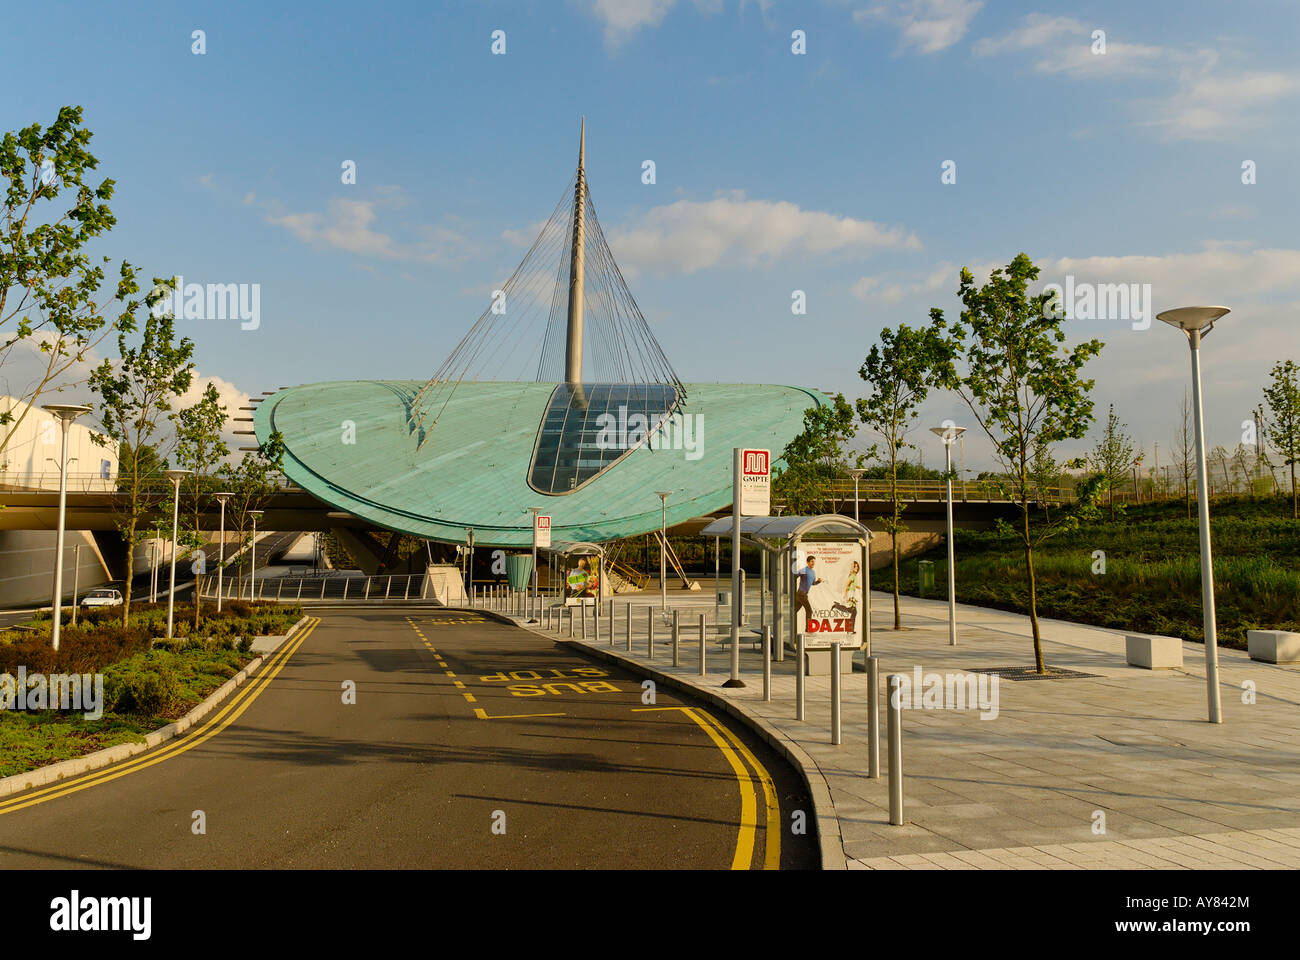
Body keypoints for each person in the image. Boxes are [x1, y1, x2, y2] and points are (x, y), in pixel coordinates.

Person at [793, 555, 821, 629]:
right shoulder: (804, 570)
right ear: (807, 562)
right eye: (811, 561)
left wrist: (818, 581)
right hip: (801, 594)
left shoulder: (813, 572)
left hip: (802, 594)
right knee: (809, 611)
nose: (813, 563)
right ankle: (808, 629)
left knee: (794, 610)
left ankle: (790, 625)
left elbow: (812, 583)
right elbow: (794, 576)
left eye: (814, 562)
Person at [832, 560, 861, 632]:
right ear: (851, 567)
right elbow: (846, 585)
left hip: (852, 593)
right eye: (854, 567)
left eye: (857, 566)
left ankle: (836, 606)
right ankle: (850, 629)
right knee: (853, 611)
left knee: (852, 611)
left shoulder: (854, 575)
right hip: (849, 594)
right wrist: (846, 596)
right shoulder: (852, 576)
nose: (856, 568)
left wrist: (858, 587)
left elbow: (852, 584)